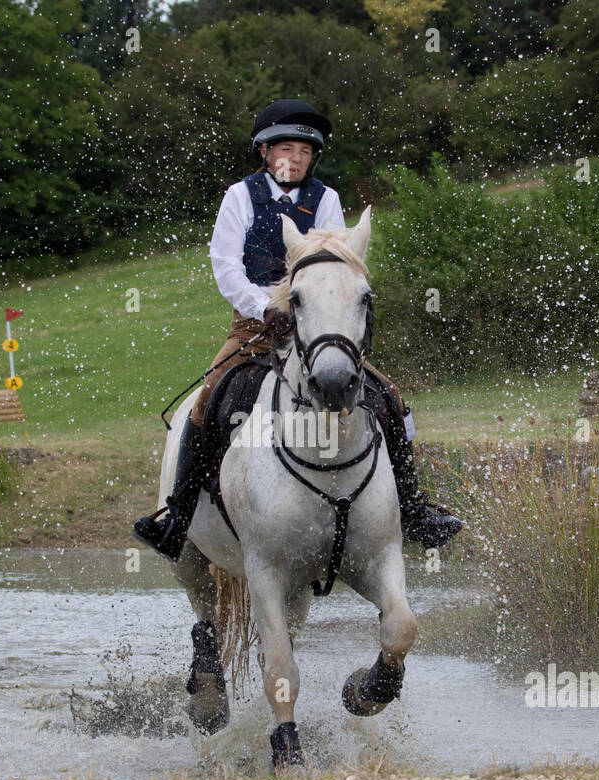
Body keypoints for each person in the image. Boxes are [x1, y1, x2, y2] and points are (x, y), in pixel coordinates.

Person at [132, 98, 463, 561]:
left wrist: (314, 312)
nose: (295, 159)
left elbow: (334, 265)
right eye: (285, 149)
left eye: (304, 152)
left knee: (392, 399)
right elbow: (225, 266)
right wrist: (265, 305)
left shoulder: (325, 199)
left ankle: (413, 507)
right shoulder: (240, 197)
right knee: (207, 400)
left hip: (318, 328)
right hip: (253, 326)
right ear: (265, 153)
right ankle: (177, 515)